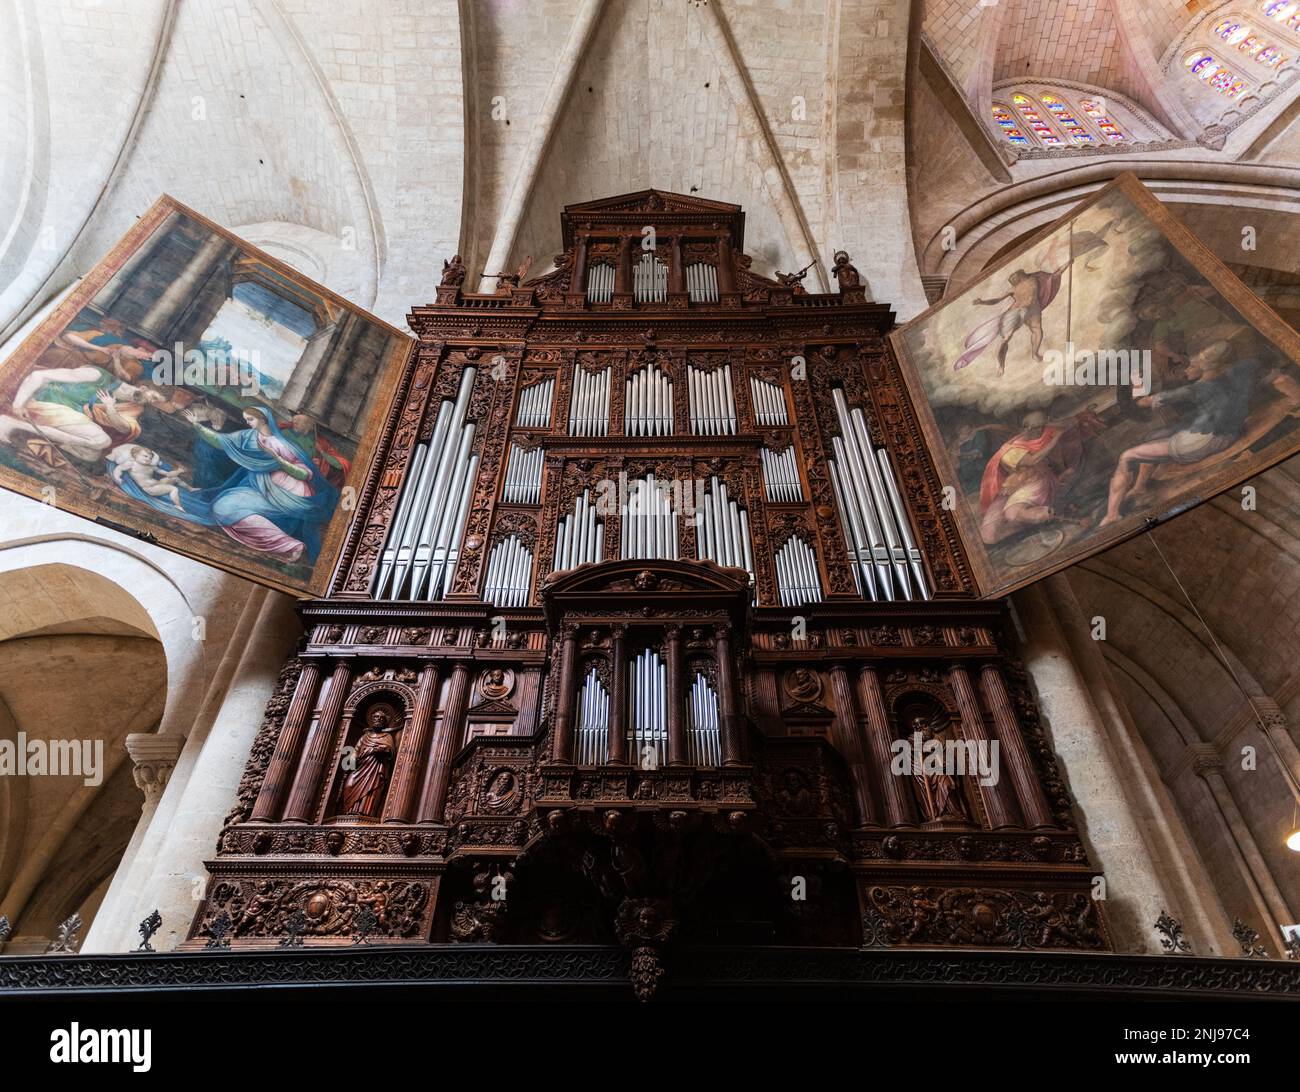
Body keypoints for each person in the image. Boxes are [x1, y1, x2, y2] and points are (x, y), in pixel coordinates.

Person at [1100, 345, 1262, 527]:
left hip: (1203, 442)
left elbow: (1142, 403)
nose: (1186, 369)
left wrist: (1136, 380)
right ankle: (1139, 487)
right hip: (1230, 431)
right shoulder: (1239, 371)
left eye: (1192, 364)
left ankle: (1112, 514)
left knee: (1127, 457)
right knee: (1153, 437)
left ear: (1206, 367)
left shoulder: (1196, 390)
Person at [180, 403, 338, 562]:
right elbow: (221, 441)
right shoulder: (248, 436)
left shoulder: (280, 443)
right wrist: (197, 425)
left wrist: (280, 461)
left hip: (287, 491)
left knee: (224, 508)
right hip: (261, 485)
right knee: (220, 507)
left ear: (263, 420)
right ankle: (283, 541)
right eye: (246, 419)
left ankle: (289, 545)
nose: (247, 422)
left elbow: (305, 473)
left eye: (250, 419)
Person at [978, 407, 1102, 545]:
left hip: (1039, 482)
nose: (1041, 431)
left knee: (1012, 513)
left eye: (1041, 427)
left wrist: (1080, 417)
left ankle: (1048, 515)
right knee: (988, 535)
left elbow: (1066, 423)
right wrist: (1055, 439)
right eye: (1037, 428)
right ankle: (1038, 518)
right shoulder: (1010, 451)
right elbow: (1032, 460)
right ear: (1027, 429)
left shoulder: (1043, 433)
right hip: (1015, 485)